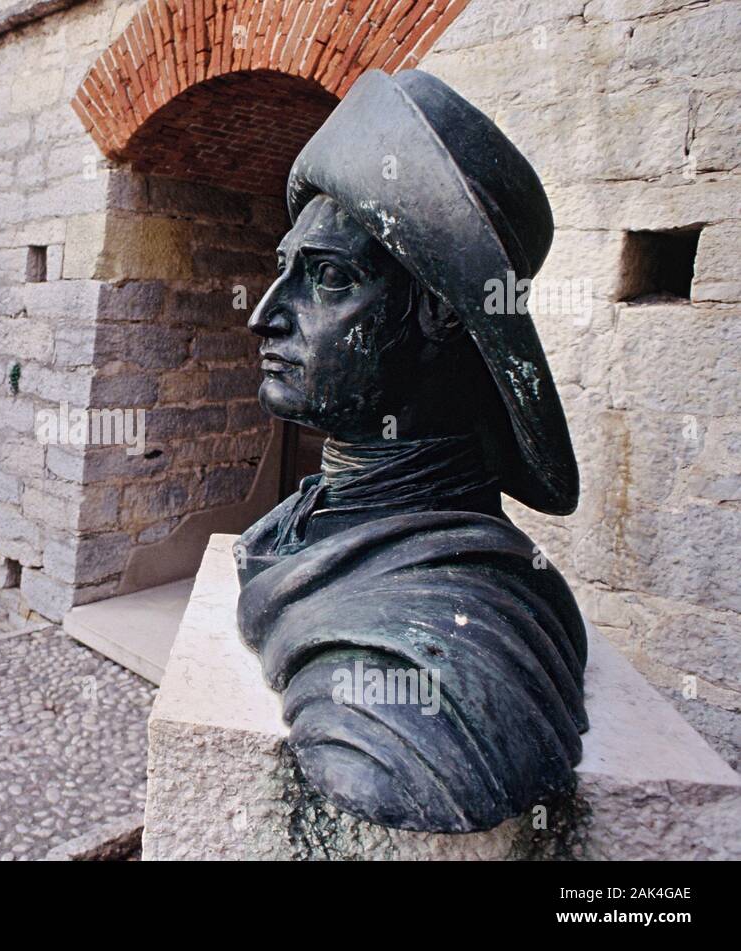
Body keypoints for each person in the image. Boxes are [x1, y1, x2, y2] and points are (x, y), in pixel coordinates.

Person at [236, 69, 588, 833]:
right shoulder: (293, 529)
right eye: (282, 270)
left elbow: (382, 770)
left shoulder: (450, 655)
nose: (266, 315)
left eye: (327, 278)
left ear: (438, 313)